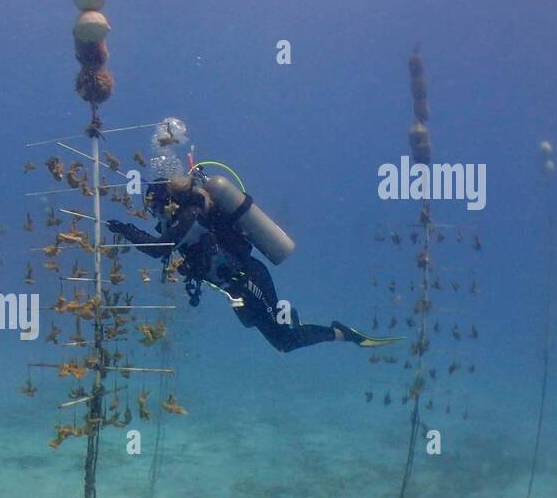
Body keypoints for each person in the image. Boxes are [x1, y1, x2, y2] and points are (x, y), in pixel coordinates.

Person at [106, 118, 398, 354]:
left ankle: (341, 334)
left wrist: (125, 229)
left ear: (166, 201)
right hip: (236, 289)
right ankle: (292, 319)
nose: (155, 214)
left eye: (155, 207)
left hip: (249, 278)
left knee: (285, 341)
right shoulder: (179, 222)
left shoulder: (190, 215)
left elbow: (160, 249)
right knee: (258, 326)